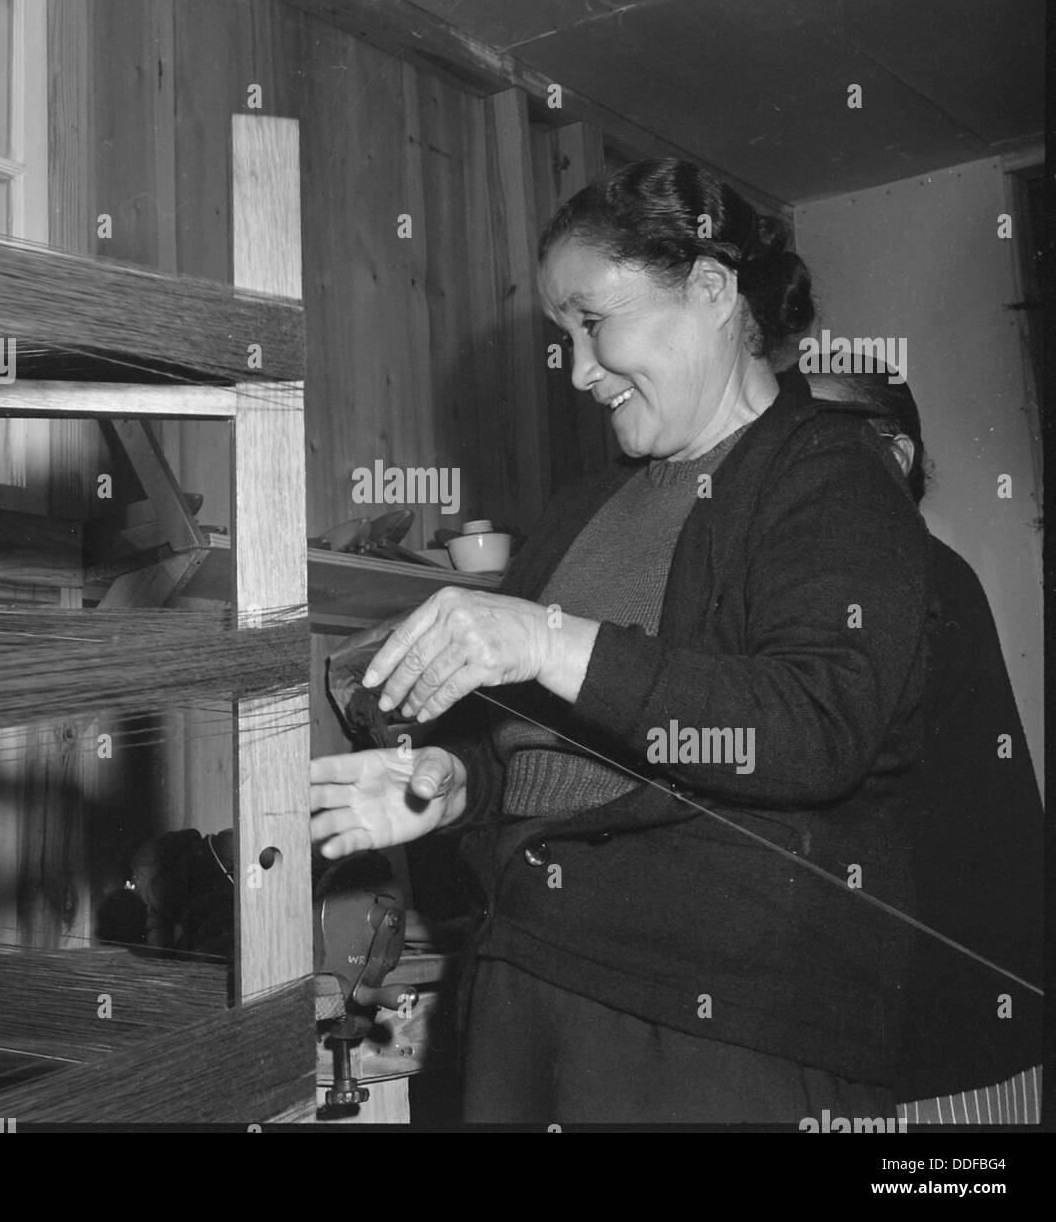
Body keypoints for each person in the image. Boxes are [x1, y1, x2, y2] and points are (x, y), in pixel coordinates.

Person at [310, 158, 932, 1123]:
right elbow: (533, 744)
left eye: (594, 324)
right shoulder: (581, 510)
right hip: (534, 973)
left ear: (714, 290)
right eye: (563, 337)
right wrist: (455, 783)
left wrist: (549, 637)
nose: (579, 371)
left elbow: (816, 724)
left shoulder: (831, 477)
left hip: (721, 1019)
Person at [795, 362, 1043, 1124]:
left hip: (947, 1037)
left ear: (892, 457)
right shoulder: (889, 576)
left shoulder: (909, 579)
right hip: (923, 1029)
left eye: (815, 446)